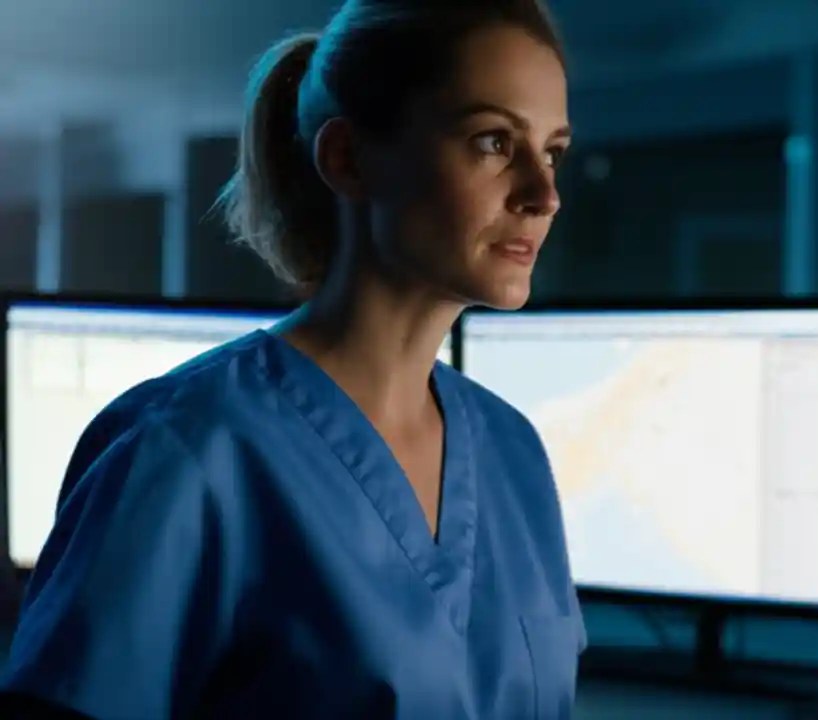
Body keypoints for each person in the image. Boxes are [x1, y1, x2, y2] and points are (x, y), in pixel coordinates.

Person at [0, 0, 584, 716]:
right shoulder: (185, 450)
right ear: (347, 158)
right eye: (493, 142)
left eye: (552, 150)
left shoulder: (514, 454)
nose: (544, 194)